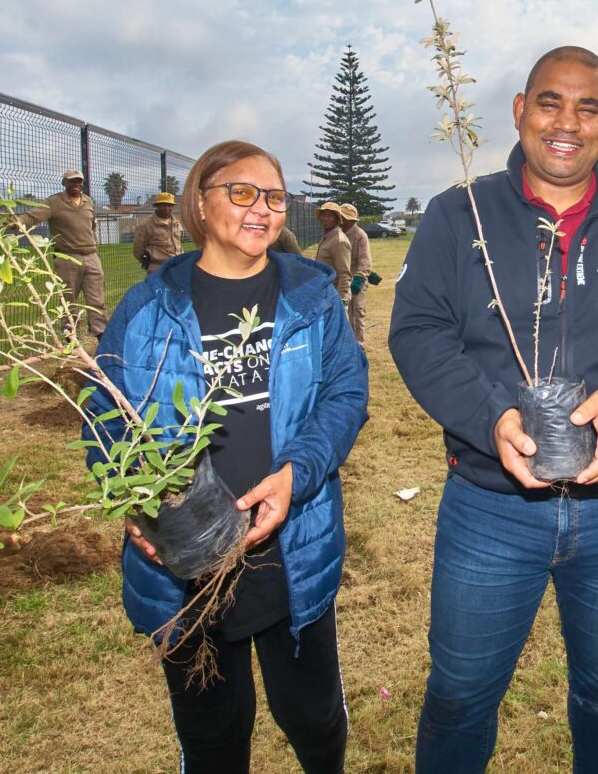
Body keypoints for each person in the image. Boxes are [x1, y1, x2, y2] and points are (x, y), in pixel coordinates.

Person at [390, 46, 598, 773]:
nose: (567, 122)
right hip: (490, 507)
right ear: (520, 111)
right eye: (550, 102)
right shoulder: (460, 214)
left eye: (587, 107)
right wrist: (489, 416)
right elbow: (419, 331)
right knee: (459, 695)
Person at [88, 140, 368, 774]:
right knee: (212, 733)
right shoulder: (147, 309)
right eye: (242, 192)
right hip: (184, 559)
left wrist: (297, 473)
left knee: (312, 717)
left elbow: (346, 393)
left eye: (275, 197)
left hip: (288, 551)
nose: (261, 208)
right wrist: (134, 496)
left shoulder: (310, 298)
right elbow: (103, 414)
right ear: (200, 201)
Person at [19, 168, 106, 338]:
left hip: (91, 256)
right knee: (68, 300)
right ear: (64, 182)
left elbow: (92, 226)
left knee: (97, 299)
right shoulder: (54, 202)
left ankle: (101, 334)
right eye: (72, 180)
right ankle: (70, 336)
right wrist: (17, 221)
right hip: (67, 258)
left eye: (79, 181)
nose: (76, 183)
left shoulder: (88, 201)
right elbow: (33, 216)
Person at [338, 203, 372, 345]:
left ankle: (359, 344)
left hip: (356, 280)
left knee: (357, 312)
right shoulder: (336, 234)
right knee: (340, 313)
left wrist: (358, 280)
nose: (342, 220)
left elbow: (365, 261)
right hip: (340, 280)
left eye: (345, 218)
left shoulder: (360, 235)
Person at [132, 191, 185, 275]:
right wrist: (151, 265)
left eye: (170, 205)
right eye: (164, 205)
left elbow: (179, 243)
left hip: (177, 268)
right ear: (157, 206)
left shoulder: (176, 223)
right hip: (158, 271)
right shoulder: (146, 225)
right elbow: (138, 251)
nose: (167, 208)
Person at [312, 201, 352, 305]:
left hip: (334, 298)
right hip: (323, 294)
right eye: (323, 215)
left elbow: (344, 274)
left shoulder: (339, 241)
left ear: (337, 219)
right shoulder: (327, 237)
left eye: (329, 216)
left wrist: (342, 300)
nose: (325, 218)